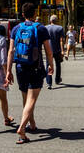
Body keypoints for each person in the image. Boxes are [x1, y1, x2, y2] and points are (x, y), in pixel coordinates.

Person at [13, 9, 59, 142]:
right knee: (31, 99)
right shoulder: (40, 28)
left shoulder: (16, 28)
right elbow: (48, 51)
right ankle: (22, 128)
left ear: (22, 14)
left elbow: (11, 50)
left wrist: (9, 71)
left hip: (20, 66)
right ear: (34, 15)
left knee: (25, 98)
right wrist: (51, 65)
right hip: (35, 67)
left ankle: (31, 124)